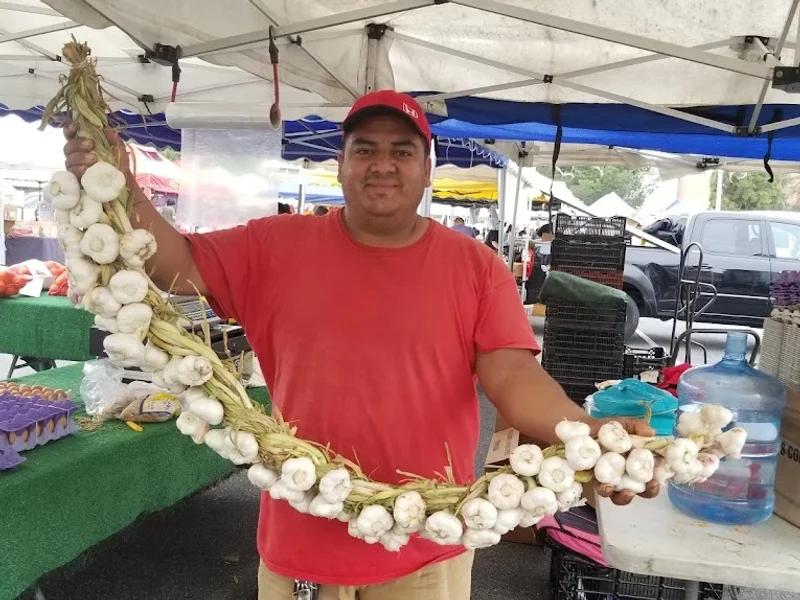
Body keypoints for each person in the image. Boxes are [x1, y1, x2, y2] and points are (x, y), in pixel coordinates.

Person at [63, 89, 656, 600]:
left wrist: (588, 435)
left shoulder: (475, 267)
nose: (383, 165)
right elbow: (178, 267)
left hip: (430, 542)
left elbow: (512, 376)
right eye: (364, 149)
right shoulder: (276, 246)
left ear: (427, 170)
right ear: (340, 162)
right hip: (304, 537)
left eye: (403, 151)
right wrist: (119, 185)